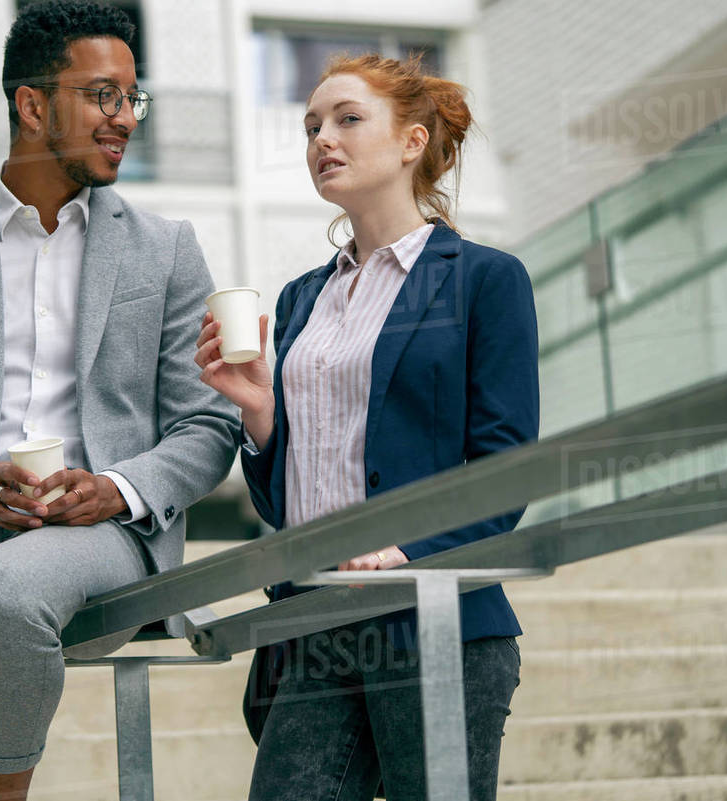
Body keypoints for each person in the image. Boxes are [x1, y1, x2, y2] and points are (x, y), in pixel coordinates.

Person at [0, 3, 238, 799]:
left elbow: (207, 424)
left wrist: (117, 489)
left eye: (133, 99)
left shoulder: (166, 250)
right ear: (31, 105)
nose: (125, 119)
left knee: (3, 591)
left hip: (109, 534)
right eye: (102, 96)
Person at [195, 53, 539, 800]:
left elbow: (508, 468)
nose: (323, 138)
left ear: (413, 142)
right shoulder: (299, 300)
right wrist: (258, 415)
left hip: (433, 617)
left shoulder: (484, 280)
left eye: (348, 119)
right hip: (314, 625)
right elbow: (289, 498)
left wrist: (409, 549)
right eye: (313, 125)